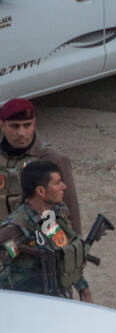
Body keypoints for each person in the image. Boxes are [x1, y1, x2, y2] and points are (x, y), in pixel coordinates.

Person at [0, 160, 91, 301]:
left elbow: (65, 252)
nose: (64, 186)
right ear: (41, 191)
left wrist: (83, 290)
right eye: (57, 183)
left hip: (57, 297)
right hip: (25, 301)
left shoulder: (53, 214)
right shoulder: (16, 228)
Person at [1, 98, 82, 234]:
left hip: (38, 242)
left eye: (27, 125)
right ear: (2, 125)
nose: (21, 133)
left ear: (34, 123)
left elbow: (71, 209)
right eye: (15, 126)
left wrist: (77, 249)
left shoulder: (52, 160)